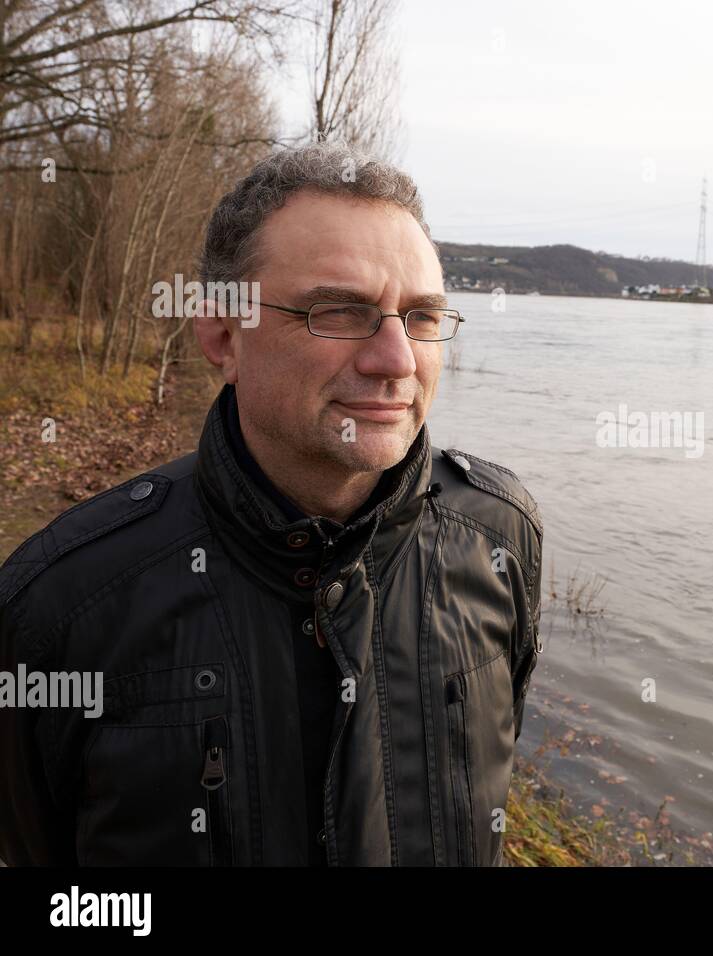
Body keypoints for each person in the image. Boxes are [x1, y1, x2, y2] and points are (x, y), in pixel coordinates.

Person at [0, 142, 543, 866]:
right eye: (339, 313)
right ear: (222, 336)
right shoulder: (63, 605)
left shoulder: (497, 538)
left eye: (421, 317)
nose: (397, 360)